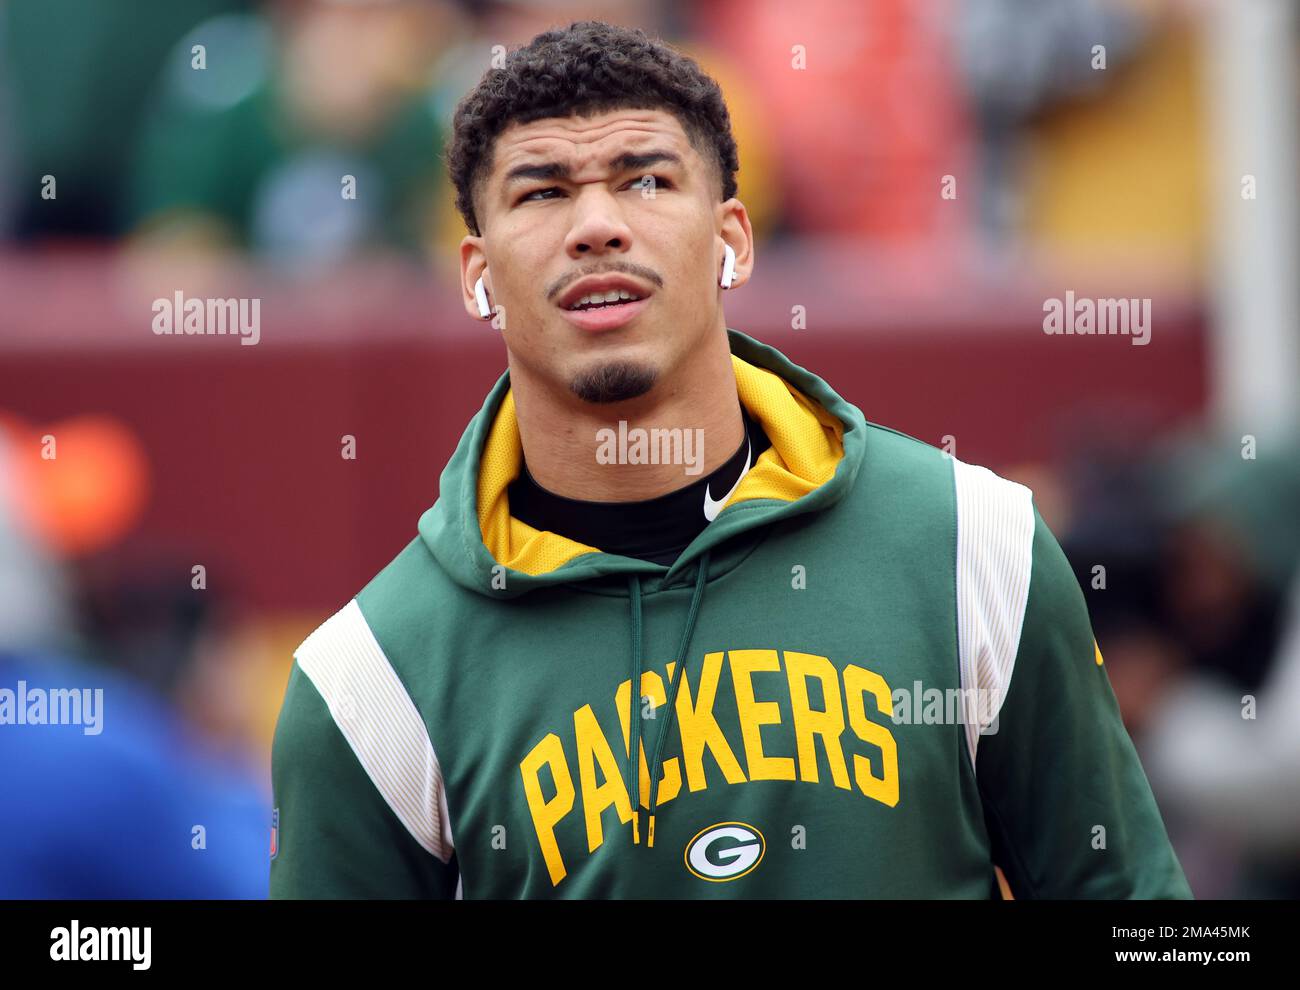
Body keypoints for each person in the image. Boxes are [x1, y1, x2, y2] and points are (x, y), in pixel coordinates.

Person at [269, 20, 1191, 899]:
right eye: (542, 191)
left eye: (648, 181)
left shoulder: (976, 546)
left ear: (733, 241)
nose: (597, 226)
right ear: (477, 274)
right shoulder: (367, 686)